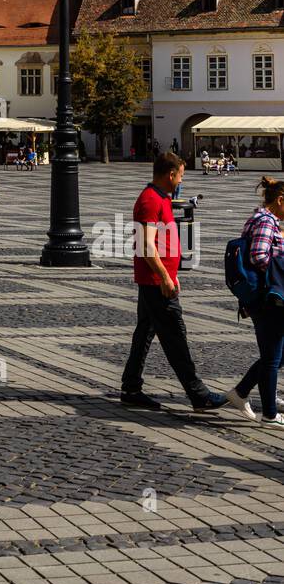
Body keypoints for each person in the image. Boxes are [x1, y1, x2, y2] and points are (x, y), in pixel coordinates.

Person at [121, 151, 226, 414]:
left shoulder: (161, 198)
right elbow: (146, 245)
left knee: (145, 332)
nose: (181, 180)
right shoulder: (149, 200)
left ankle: (131, 387)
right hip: (156, 281)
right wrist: (165, 276)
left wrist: (172, 271)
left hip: (158, 278)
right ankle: (198, 394)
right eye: (180, 175)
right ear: (170, 174)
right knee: (175, 335)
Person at [227, 177, 284, 425]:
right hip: (267, 297)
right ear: (280, 200)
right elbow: (260, 256)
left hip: (265, 296)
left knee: (277, 355)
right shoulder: (266, 221)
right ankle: (269, 414)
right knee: (272, 358)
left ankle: (240, 392)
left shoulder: (261, 218)